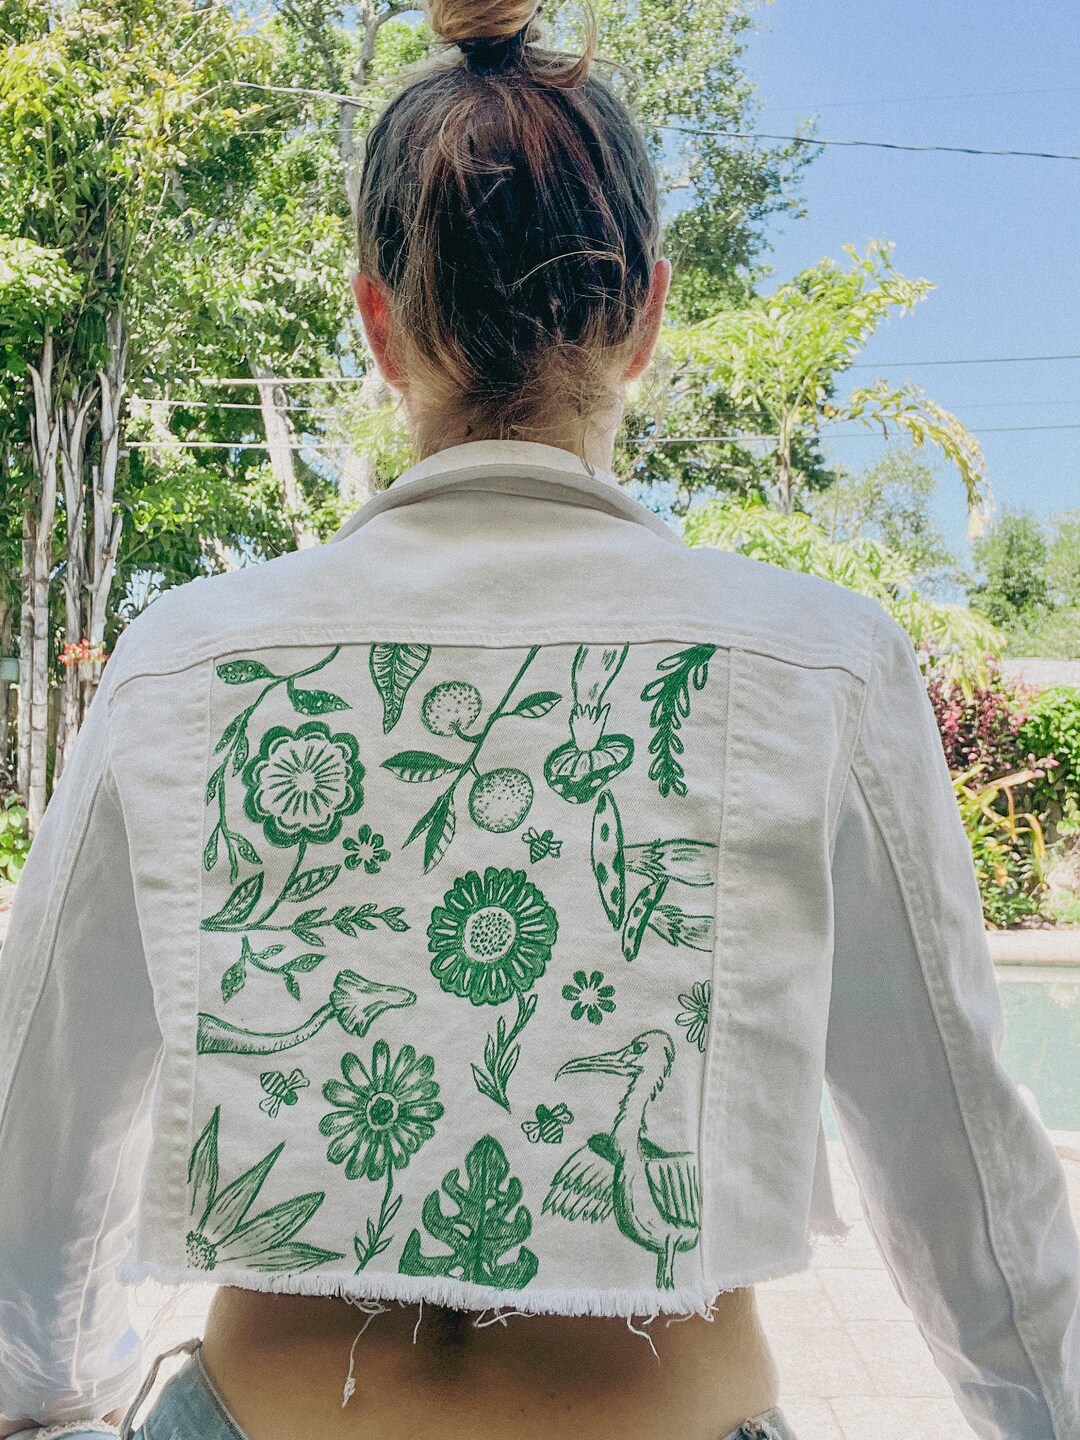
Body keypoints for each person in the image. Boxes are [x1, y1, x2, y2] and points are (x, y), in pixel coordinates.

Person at [1, 2, 1079, 1438]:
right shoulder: (817, 660)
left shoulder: (182, 660)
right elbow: (966, 1183)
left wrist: (55, 1399)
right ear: (645, 310)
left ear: (380, 325)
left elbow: (37, 1146)